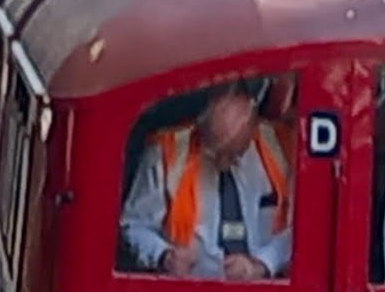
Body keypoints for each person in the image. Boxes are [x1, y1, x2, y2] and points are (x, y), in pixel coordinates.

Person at [120, 87, 294, 280]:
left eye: (233, 155)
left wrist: (263, 264)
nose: (223, 164)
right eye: (214, 153)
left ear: (253, 131)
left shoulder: (284, 147)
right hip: (191, 288)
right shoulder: (166, 152)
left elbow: (304, 228)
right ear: (200, 127)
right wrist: (164, 256)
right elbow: (134, 225)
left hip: (265, 289)